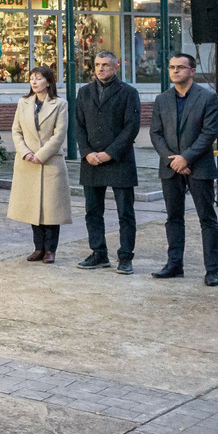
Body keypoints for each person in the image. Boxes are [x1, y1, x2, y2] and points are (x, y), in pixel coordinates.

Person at [150, 52, 218, 285]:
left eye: (180, 67)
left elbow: (209, 133)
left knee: (207, 219)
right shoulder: (162, 99)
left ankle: (211, 270)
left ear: (192, 71)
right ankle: (174, 265)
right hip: (170, 167)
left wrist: (186, 158)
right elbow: (156, 133)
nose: (175, 71)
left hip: (198, 166)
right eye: (172, 67)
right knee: (173, 218)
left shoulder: (208, 97)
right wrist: (173, 160)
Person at [73, 51, 142, 274]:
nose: (100, 68)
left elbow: (131, 127)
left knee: (125, 213)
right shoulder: (84, 92)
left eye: (105, 65)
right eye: (97, 65)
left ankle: (126, 257)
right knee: (93, 211)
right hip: (91, 161)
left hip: (119, 160)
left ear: (115, 67)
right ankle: (98, 253)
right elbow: (78, 125)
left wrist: (110, 153)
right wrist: (86, 152)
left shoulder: (129, 92)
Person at [7, 66, 72, 262]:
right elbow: (16, 131)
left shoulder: (60, 104)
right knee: (32, 206)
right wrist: (25, 152)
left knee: (51, 208)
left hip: (50, 162)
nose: (34, 82)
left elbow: (59, 135)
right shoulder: (23, 103)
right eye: (31, 79)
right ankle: (38, 248)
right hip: (27, 163)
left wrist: (41, 155)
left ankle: (50, 249)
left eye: (38, 78)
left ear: (49, 82)